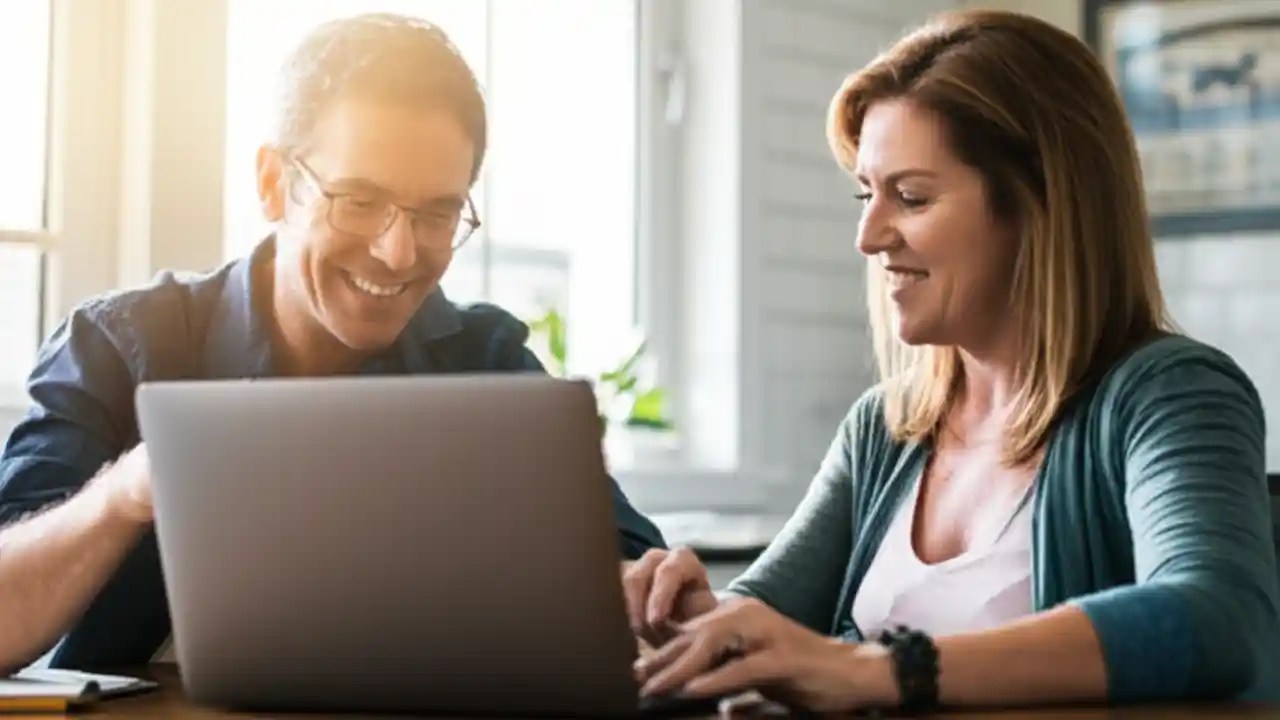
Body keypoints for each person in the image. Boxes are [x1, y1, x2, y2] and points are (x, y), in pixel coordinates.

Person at [624, 9, 1278, 713]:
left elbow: (1217, 618)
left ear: (1040, 206)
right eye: (865, 194)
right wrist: (690, 618)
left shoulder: (1170, 395)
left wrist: (877, 671)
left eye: (911, 197)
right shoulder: (883, 429)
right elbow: (767, 620)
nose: (869, 237)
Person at [0, 13, 664, 673]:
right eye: (359, 200)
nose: (398, 253)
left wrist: (641, 583)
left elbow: (628, 557)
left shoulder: (482, 356)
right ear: (272, 185)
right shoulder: (122, 345)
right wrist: (128, 492)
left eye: (437, 212)